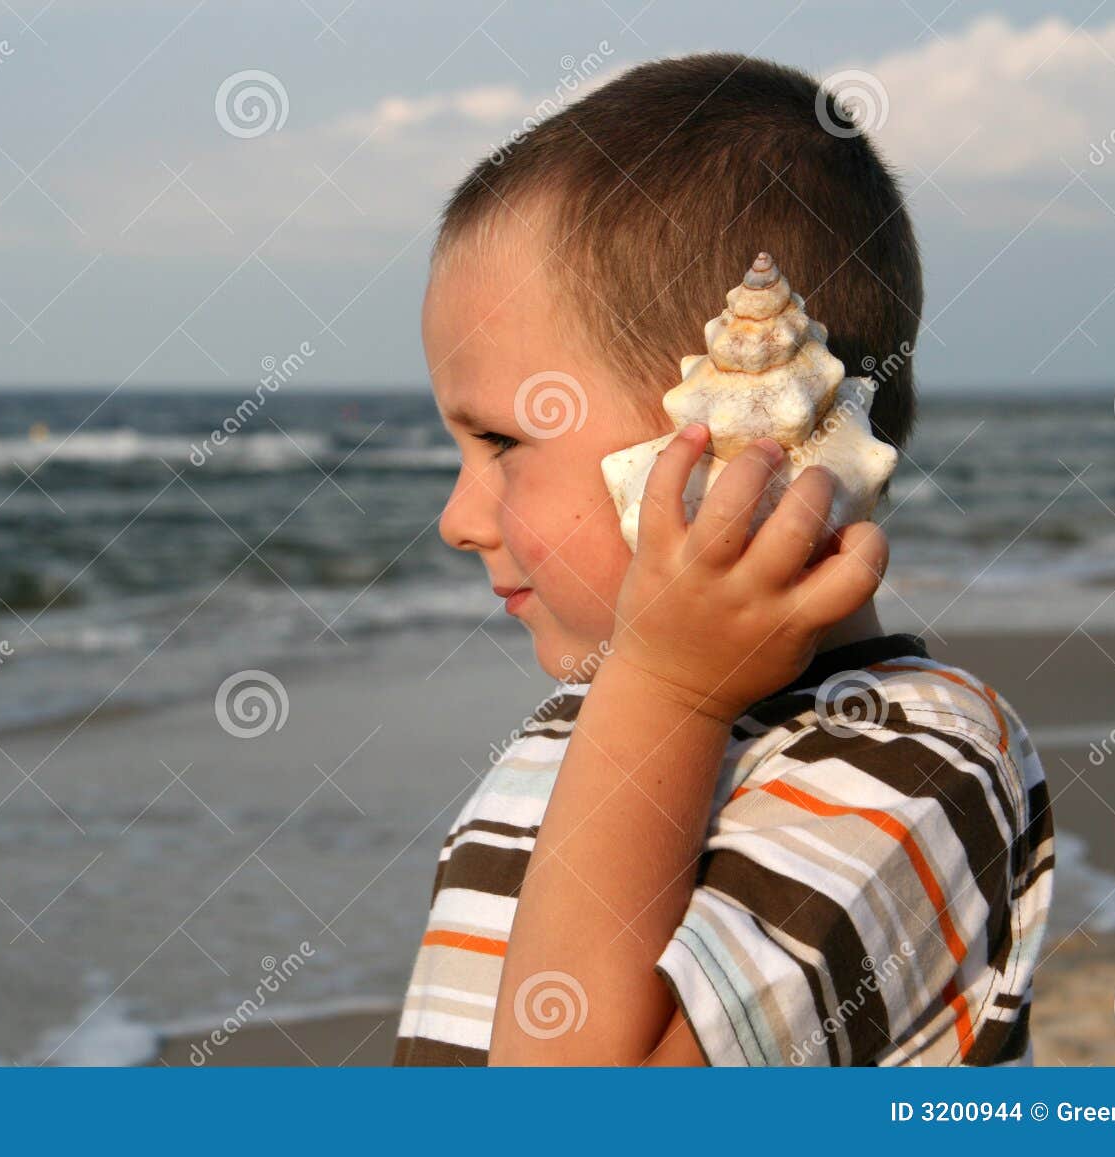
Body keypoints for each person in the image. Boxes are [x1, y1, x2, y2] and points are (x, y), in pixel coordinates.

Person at [392, 52, 1054, 1066]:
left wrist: (664, 691)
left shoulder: (912, 760)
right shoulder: (575, 737)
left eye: (499, 443)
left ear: (745, 450)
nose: (458, 518)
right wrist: (653, 699)